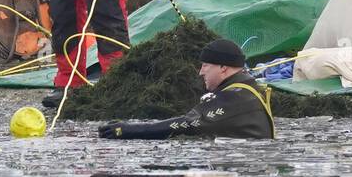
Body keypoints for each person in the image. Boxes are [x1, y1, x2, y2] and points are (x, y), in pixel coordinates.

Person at [98, 39, 275, 140]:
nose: (200, 71)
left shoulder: (235, 97)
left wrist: (128, 130)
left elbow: (186, 123)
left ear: (223, 67)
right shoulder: (245, 89)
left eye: (206, 65)